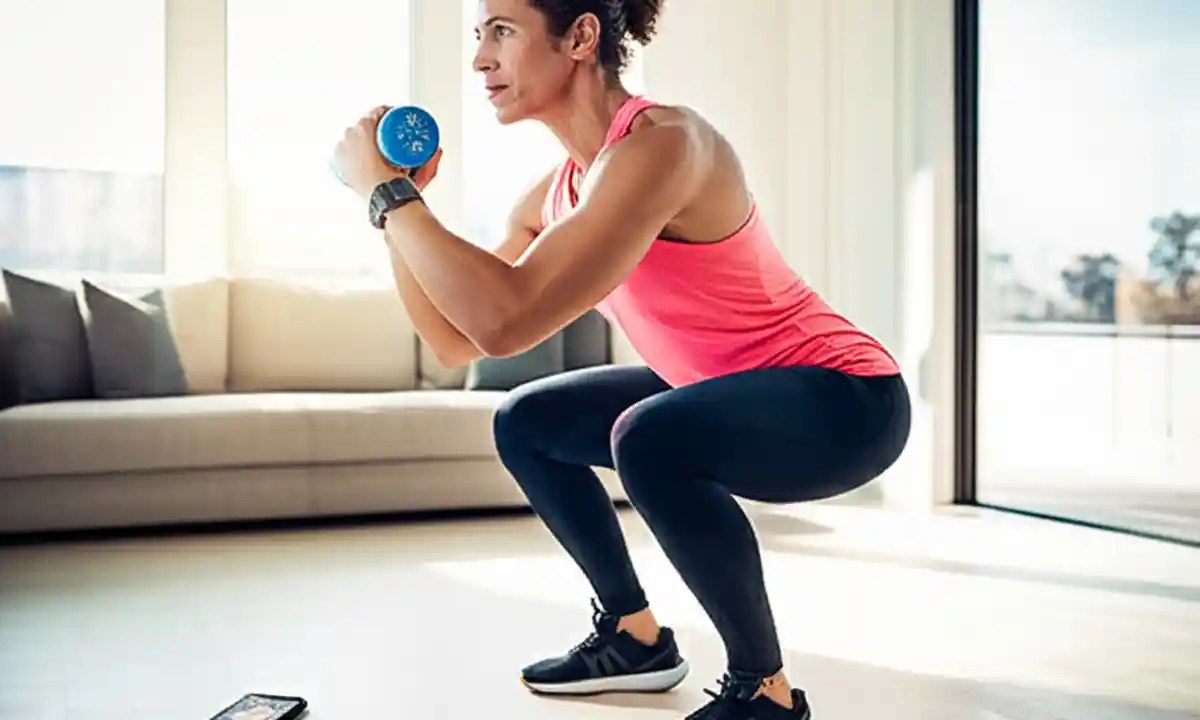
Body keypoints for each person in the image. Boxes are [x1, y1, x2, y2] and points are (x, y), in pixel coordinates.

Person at [331, 0, 911, 717]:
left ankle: (765, 692)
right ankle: (635, 638)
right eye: (478, 35)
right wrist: (400, 213)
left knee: (648, 433)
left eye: (503, 31)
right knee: (527, 421)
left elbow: (506, 318)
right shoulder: (556, 192)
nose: (481, 58)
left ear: (579, 36)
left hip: (847, 400)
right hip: (719, 391)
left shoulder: (665, 144)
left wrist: (387, 197)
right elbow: (458, 338)